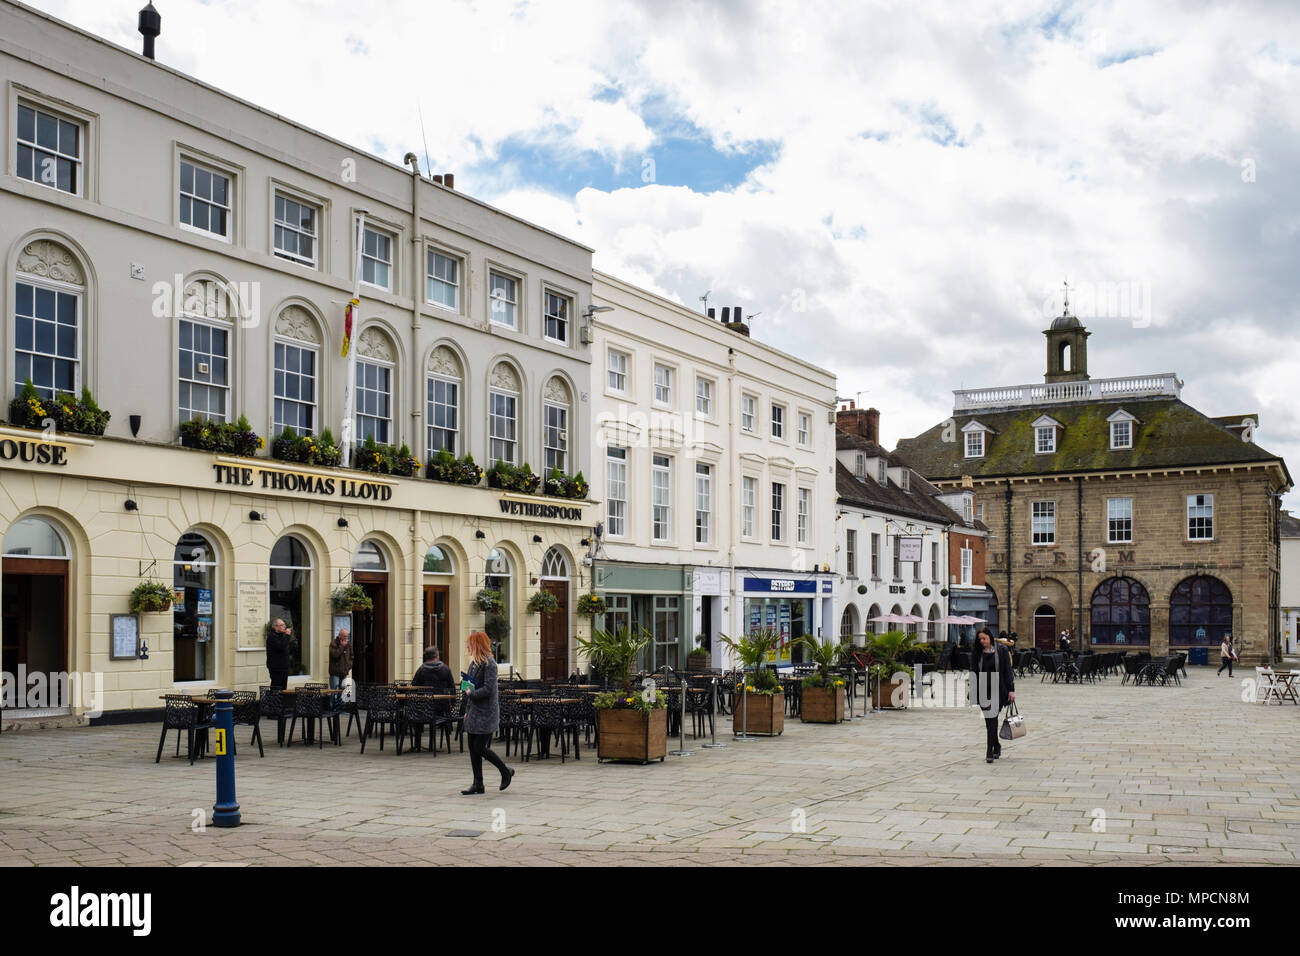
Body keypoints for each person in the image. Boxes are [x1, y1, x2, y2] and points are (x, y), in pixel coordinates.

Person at [461, 630, 514, 795]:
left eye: (470, 643)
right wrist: (466, 709)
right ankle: (478, 784)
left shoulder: (489, 664)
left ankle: (505, 771)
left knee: (480, 747)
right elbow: (470, 685)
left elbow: (488, 689)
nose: (468, 646)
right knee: (472, 747)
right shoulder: (473, 664)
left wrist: (471, 693)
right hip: (474, 710)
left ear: (477, 645)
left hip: (486, 712)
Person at [970, 627, 1015, 763]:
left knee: (993, 718)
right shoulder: (977, 652)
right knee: (989, 721)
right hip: (983, 688)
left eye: (984, 638)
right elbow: (973, 671)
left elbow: (1008, 671)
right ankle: (997, 745)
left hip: (998, 688)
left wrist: (1011, 690)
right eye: (980, 639)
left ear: (990, 637)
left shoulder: (1001, 650)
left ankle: (989, 750)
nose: (982, 641)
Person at [328, 628, 353, 709]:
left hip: (344, 672)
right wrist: (342, 647)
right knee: (334, 691)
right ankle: (333, 707)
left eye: (347, 636)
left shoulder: (348, 644)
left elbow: (352, 656)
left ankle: (340, 708)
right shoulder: (333, 643)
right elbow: (334, 655)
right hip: (335, 672)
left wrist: (349, 666)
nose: (346, 638)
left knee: (342, 691)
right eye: (344, 636)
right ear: (340, 636)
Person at [266, 618, 292, 690]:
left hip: (284, 667)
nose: (284, 626)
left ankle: (281, 701)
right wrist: (287, 635)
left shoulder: (282, 636)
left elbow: (286, 648)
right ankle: (272, 701)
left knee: (283, 689)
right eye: (282, 625)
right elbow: (281, 647)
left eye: (284, 625)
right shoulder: (272, 637)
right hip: (276, 667)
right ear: (276, 627)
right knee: (276, 689)